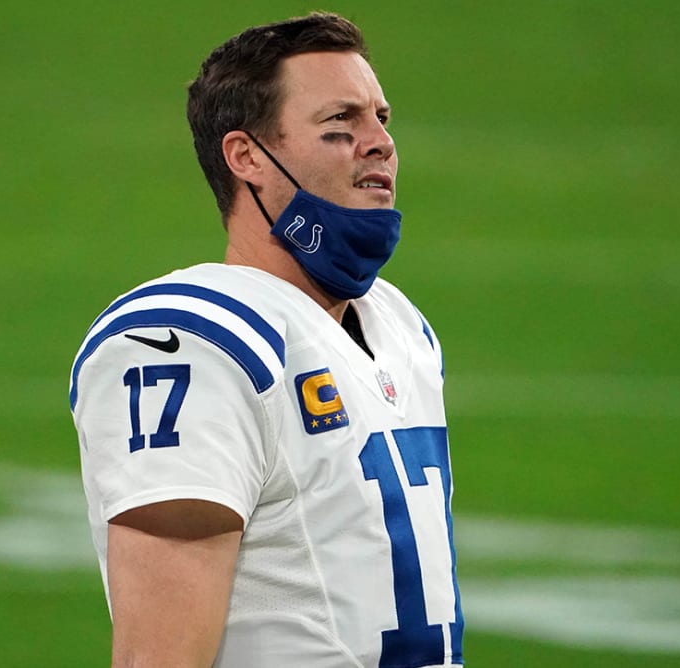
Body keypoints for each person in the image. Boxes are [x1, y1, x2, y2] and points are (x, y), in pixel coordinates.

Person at [69, 12, 463, 667]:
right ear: (247, 156)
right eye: (340, 124)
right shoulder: (194, 342)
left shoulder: (398, 326)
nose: (379, 144)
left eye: (381, 119)